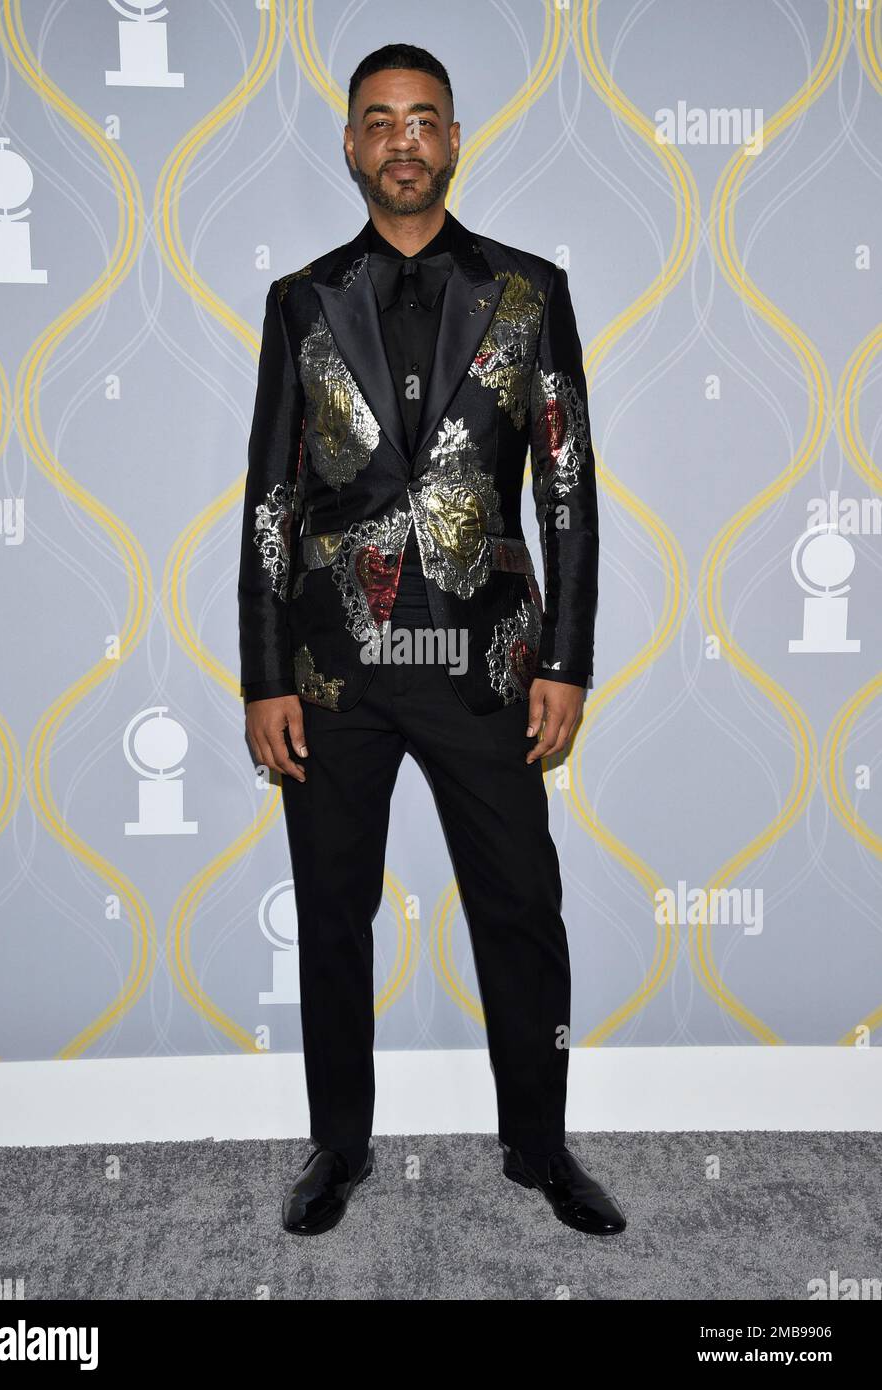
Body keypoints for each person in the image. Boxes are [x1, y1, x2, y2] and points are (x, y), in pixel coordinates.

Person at [238, 43, 625, 1238]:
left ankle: (540, 1144)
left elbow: (564, 485)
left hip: (487, 666)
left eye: (423, 120)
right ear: (350, 145)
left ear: (453, 141)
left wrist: (563, 657)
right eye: (378, 121)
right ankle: (336, 1147)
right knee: (332, 912)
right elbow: (268, 499)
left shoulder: (528, 291)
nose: (402, 140)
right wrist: (261, 677)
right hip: (332, 670)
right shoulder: (300, 301)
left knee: (519, 906)